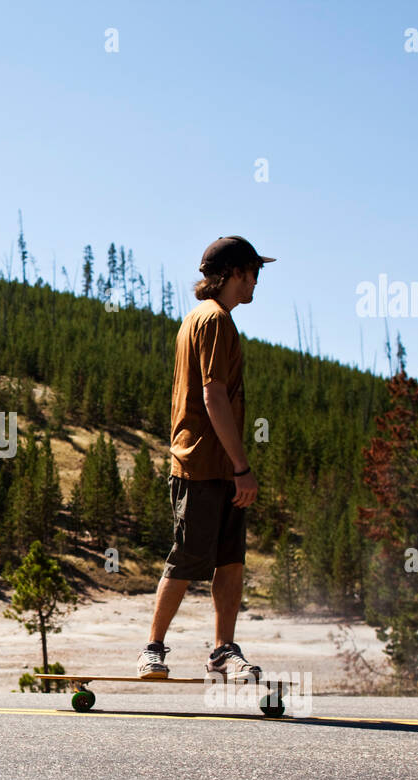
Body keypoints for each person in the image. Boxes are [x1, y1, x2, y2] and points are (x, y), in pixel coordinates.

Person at [136, 236, 274, 682]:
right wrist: (242, 466)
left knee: (230, 559)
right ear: (236, 272)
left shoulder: (201, 319)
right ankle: (151, 650)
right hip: (202, 463)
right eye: (255, 271)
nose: (257, 281)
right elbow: (214, 397)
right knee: (188, 557)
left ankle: (222, 652)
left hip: (215, 464)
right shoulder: (214, 320)